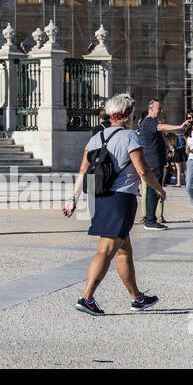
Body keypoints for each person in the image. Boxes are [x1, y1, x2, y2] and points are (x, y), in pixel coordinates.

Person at [62, 93, 165, 315]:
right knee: (107, 249)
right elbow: (143, 170)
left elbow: (82, 171)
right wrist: (158, 188)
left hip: (99, 198)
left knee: (124, 250)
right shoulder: (130, 137)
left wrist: (72, 199)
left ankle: (137, 298)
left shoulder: (96, 138)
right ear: (128, 114)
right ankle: (87, 297)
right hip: (121, 199)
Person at [137, 100, 189, 230]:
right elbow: (162, 127)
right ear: (151, 109)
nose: (161, 111)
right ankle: (150, 220)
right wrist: (179, 127)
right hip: (153, 162)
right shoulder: (149, 122)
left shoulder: (149, 122)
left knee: (153, 190)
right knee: (152, 190)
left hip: (156, 162)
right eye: (159, 108)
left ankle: (152, 218)